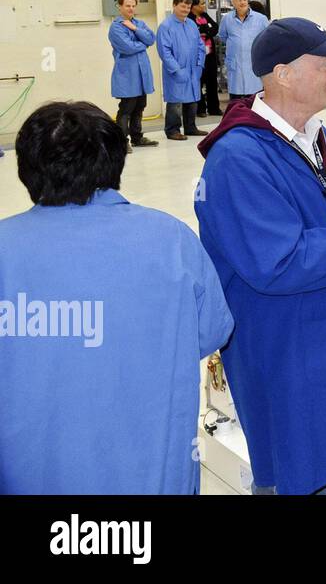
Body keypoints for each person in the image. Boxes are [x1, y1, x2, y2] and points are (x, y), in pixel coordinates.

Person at [194, 17, 326, 495]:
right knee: (295, 473)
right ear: (284, 74)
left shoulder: (316, 137)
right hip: (286, 351)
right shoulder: (238, 159)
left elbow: (322, 217)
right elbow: (278, 261)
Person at [0, 101, 232, 493]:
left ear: (26, 169)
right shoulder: (171, 240)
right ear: (115, 163)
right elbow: (211, 333)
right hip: (151, 478)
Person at [107, 0, 158, 152]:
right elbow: (127, 48)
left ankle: (137, 137)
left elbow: (151, 39)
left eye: (133, 6)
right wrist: (142, 44)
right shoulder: (116, 27)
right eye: (127, 6)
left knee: (140, 106)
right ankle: (122, 141)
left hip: (142, 73)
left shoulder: (138, 23)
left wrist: (135, 29)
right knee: (127, 108)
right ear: (120, 7)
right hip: (127, 74)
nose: (131, 9)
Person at [155, 0, 206, 141]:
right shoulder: (166, 26)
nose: (185, 9)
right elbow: (164, 52)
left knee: (192, 99)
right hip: (176, 71)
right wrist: (176, 69)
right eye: (182, 6)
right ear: (174, 6)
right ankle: (172, 130)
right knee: (175, 102)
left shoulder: (191, 25)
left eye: (188, 7)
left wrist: (199, 65)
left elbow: (200, 46)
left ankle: (191, 127)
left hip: (193, 69)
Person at [217, 0, 270, 108]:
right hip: (235, 63)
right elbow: (222, 36)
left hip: (253, 62)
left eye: (244, 0)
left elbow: (267, 37)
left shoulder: (261, 18)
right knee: (236, 100)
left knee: (254, 98)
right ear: (233, 3)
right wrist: (235, 45)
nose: (242, 2)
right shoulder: (227, 19)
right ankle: (236, 122)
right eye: (239, 0)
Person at [190, 0, 222, 118]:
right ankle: (200, 109)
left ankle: (214, 108)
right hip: (197, 56)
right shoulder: (189, 19)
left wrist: (206, 32)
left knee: (212, 81)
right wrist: (205, 30)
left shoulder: (205, 16)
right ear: (194, 6)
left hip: (210, 55)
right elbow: (196, 33)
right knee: (198, 82)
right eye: (202, 4)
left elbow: (215, 27)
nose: (204, 6)